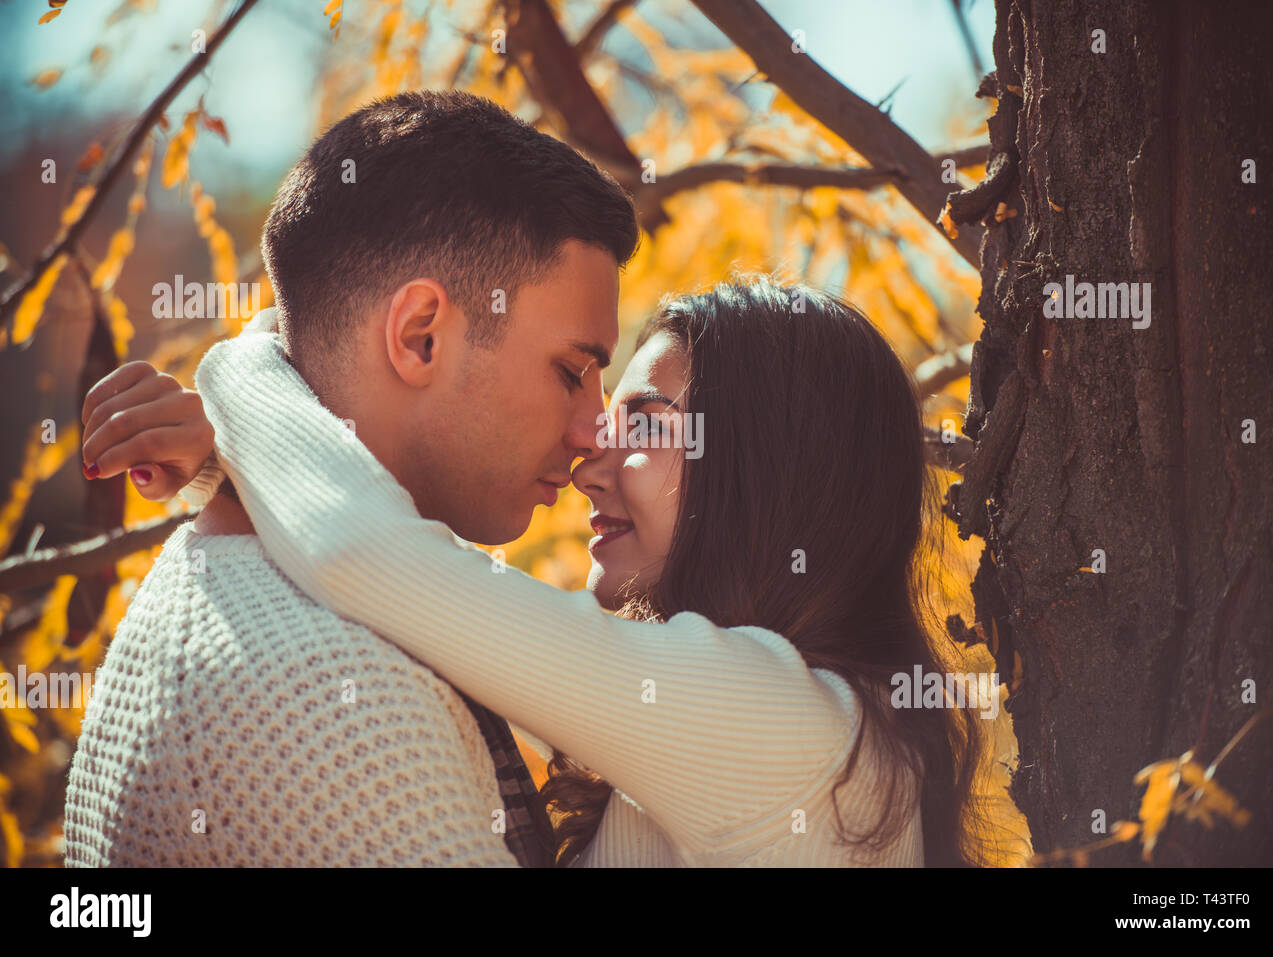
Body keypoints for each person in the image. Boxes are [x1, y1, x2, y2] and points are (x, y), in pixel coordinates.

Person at [89, 272, 995, 866]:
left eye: (642, 423)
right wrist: (230, 477)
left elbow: (375, 558)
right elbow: (427, 605)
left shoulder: (787, 725)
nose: (588, 460)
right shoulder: (818, 720)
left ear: (772, 462)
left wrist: (251, 366)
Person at [65, 89, 639, 866]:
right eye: (573, 370)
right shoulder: (329, 703)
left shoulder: (268, 591)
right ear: (419, 336)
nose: (592, 429)